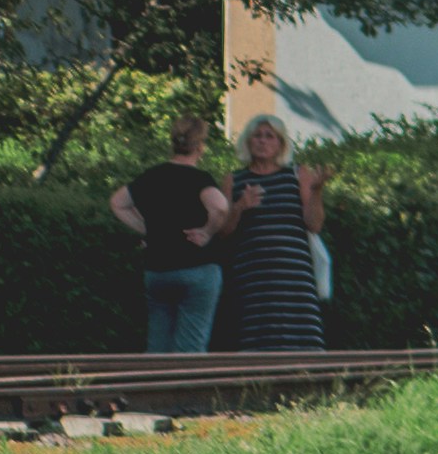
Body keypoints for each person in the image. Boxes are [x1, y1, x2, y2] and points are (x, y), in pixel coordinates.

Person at [113, 104, 231, 355]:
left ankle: (153, 390)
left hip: (158, 269)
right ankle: (186, 392)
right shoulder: (200, 180)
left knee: (158, 345)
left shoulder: (151, 177)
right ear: (200, 146)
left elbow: (118, 203)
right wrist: (207, 232)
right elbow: (220, 207)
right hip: (196, 267)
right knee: (190, 345)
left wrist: (147, 229)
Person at [219, 115, 333, 356]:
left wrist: (317, 191)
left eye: (269, 136)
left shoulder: (297, 174)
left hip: (294, 276)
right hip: (253, 276)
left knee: (302, 342)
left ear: (281, 144)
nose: (262, 141)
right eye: (257, 136)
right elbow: (223, 231)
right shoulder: (233, 179)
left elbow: (314, 224)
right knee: (256, 341)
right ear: (248, 142)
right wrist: (240, 206)